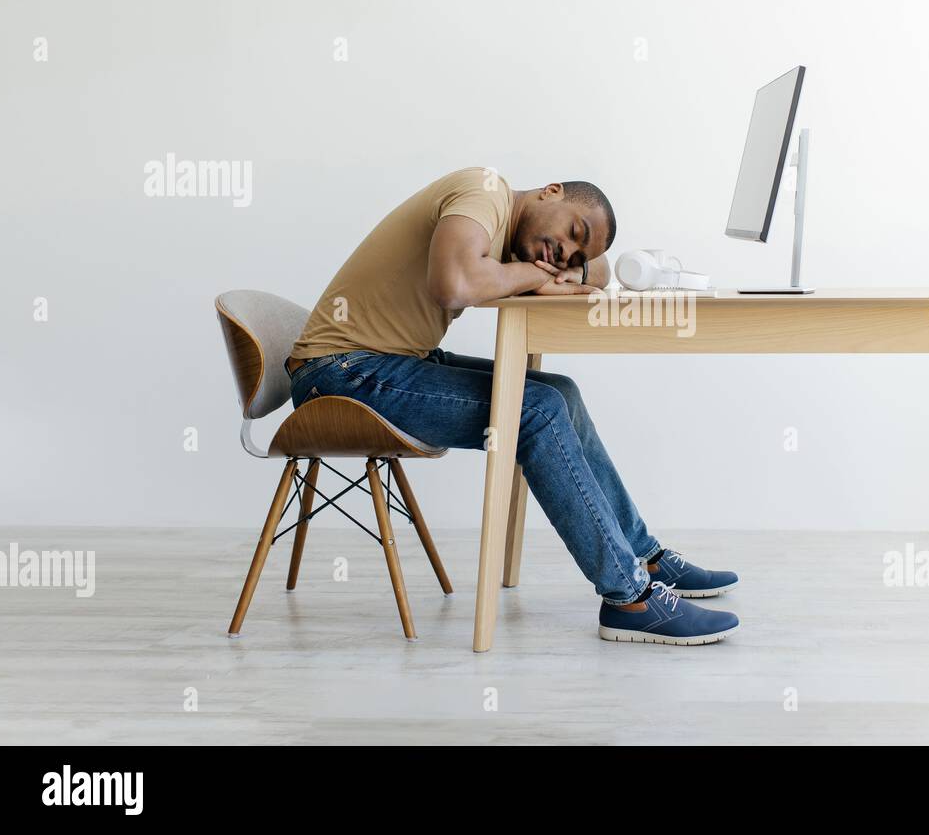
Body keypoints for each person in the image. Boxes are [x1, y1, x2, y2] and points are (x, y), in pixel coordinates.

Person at [286, 167, 739, 645]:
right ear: (550, 191)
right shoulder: (484, 192)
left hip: (382, 364)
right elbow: (455, 283)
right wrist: (535, 275)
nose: (564, 253)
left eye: (574, 254)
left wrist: (567, 268)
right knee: (536, 410)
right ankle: (630, 599)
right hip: (338, 376)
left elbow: (602, 272)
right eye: (573, 233)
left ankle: (641, 554)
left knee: (559, 391)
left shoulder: (516, 241)